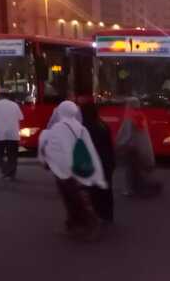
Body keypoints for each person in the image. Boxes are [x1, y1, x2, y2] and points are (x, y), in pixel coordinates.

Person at [38, 101, 107, 239]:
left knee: (71, 198)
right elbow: (89, 148)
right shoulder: (81, 128)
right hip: (78, 167)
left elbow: (52, 148)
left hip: (64, 170)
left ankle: (88, 225)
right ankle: (76, 225)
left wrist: (47, 161)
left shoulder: (57, 128)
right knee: (77, 197)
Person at [116, 97, 160, 197]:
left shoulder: (129, 117)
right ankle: (139, 188)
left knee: (130, 170)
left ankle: (130, 190)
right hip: (141, 146)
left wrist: (119, 144)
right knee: (137, 168)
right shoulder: (140, 115)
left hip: (132, 147)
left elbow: (127, 135)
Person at [80, 103, 115, 223]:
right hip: (106, 161)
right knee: (106, 189)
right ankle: (107, 215)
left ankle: (97, 216)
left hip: (95, 162)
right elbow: (110, 145)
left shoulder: (86, 127)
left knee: (94, 191)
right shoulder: (102, 124)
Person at [0, 89, 24, 181]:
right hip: (13, 134)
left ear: (0, 96)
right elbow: (21, 117)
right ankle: (12, 174)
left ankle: (6, 170)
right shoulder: (14, 105)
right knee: (13, 156)